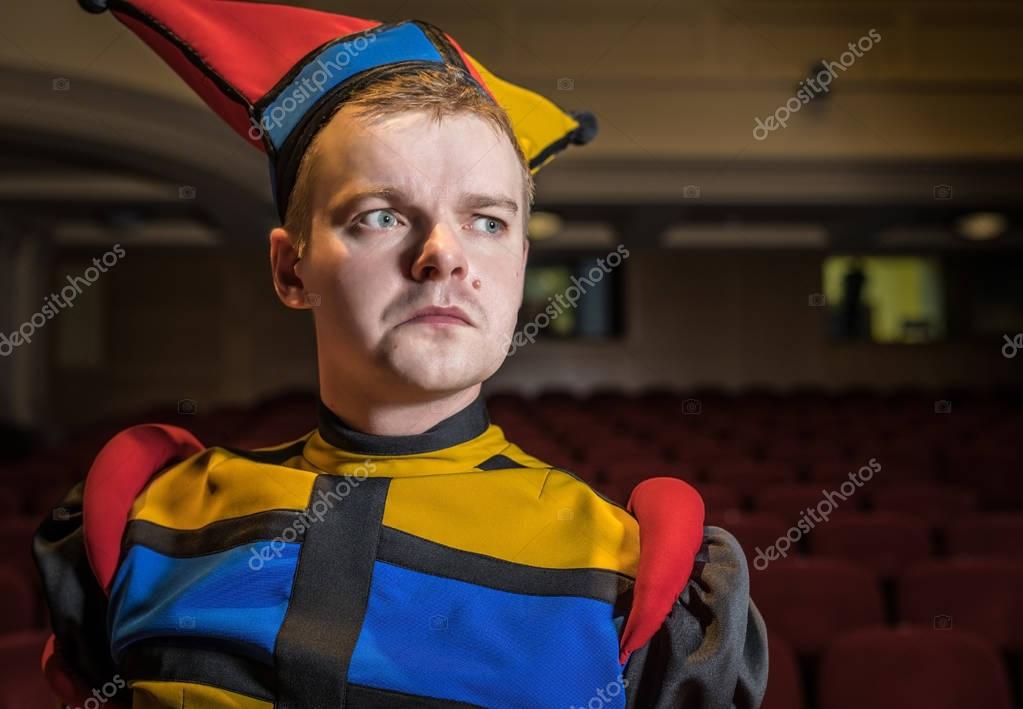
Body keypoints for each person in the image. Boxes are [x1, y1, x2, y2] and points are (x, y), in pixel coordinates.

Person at [34, 1, 768, 707]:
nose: (442, 255)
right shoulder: (144, 521)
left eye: (485, 220)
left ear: (517, 261)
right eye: (381, 215)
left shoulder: (633, 573)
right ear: (291, 270)